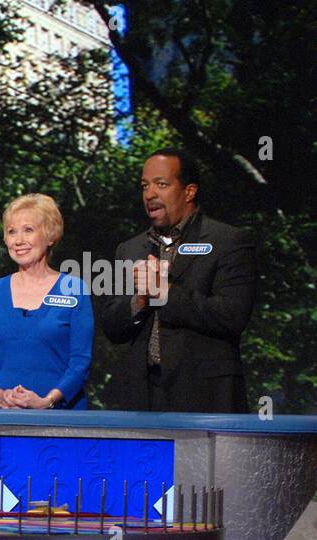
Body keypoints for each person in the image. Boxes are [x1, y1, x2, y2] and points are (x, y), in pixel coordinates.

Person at [99, 148, 258, 412]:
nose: (150, 194)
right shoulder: (129, 249)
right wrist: (139, 300)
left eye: (161, 184)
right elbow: (112, 326)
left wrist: (164, 292)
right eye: (145, 186)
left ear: (189, 191)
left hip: (206, 396)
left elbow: (232, 316)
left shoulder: (227, 241)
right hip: (142, 398)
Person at [0, 194, 94, 409]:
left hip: (61, 419)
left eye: (28, 230)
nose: (18, 240)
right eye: (11, 231)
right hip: (2, 419)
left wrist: (46, 402)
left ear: (50, 236)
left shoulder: (74, 289)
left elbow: (80, 363)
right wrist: (0, 396)